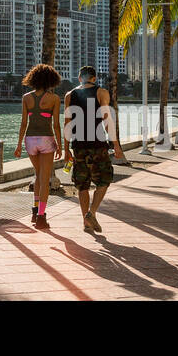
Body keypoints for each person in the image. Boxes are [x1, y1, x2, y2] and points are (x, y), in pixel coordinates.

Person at [63, 65, 125, 234]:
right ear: (94, 78)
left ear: (79, 78)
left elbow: (67, 123)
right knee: (104, 181)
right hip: (98, 145)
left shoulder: (69, 95)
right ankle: (92, 213)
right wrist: (116, 145)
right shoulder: (101, 92)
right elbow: (107, 121)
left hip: (79, 146)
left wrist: (66, 149)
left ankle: (86, 221)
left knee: (82, 185)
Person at [14, 62, 64, 229]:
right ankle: (41, 217)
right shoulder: (54, 99)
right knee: (44, 179)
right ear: (51, 80)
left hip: (30, 140)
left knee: (37, 175)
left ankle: (34, 211)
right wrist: (60, 145)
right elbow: (56, 125)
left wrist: (19, 144)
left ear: (33, 79)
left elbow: (23, 123)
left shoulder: (26, 98)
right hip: (46, 140)